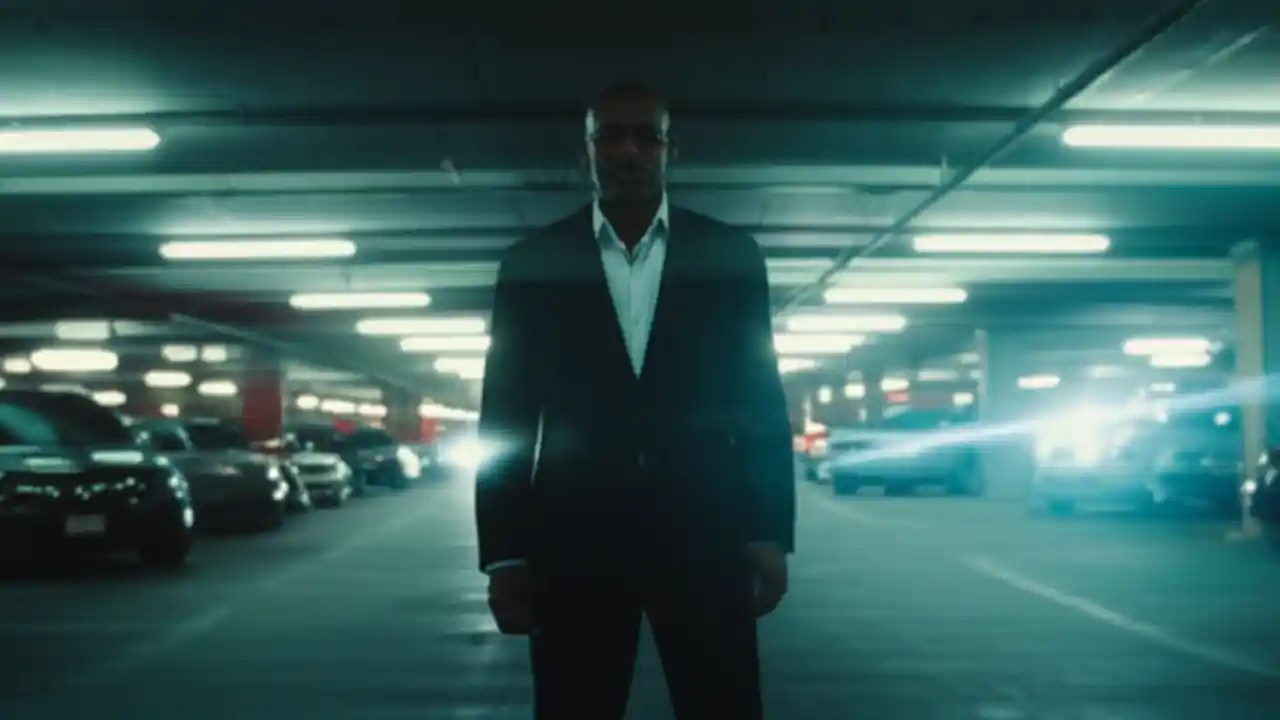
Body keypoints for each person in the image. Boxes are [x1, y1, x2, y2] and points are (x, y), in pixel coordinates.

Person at [475, 81, 796, 719]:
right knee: (575, 705)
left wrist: (768, 530)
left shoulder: (730, 256)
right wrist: (505, 552)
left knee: (723, 704)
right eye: (609, 136)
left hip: (705, 531)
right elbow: (506, 413)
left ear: (672, 149)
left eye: (647, 135)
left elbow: (758, 400)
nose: (629, 150)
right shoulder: (534, 262)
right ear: (584, 153)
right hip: (574, 539)